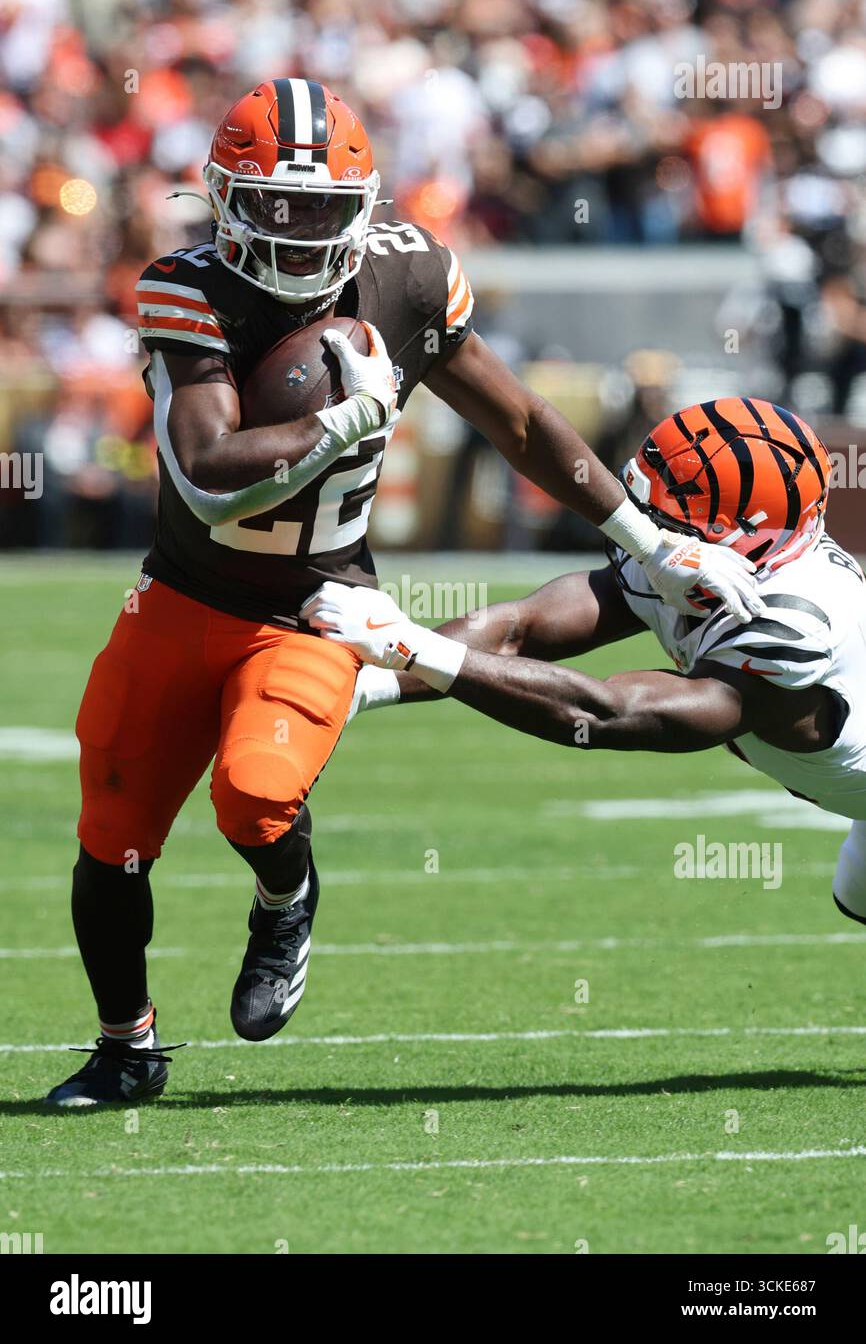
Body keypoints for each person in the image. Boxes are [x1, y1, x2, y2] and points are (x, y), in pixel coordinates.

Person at [47, 82, 760, 1108]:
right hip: (185, 588)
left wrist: (648, 543)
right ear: (221, 198)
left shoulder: (409, 276)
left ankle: (285, 897)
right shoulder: (186, 287)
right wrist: (341, 424)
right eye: (272, 206)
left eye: (318, 210)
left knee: (254, 793)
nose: (295, 237)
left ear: (365, 206)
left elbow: (517, 423)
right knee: (111, 827)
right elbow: (206, 475)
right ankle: (126, 1047)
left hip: (316, 602)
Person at [309, 398, 866, 927]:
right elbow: (521, 631)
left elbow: (610, 714)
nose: (649, 529)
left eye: (670, 517)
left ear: (740, 535)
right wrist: (374, 683)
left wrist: (412, 646)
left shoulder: (795, 617)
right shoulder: (705, 556)